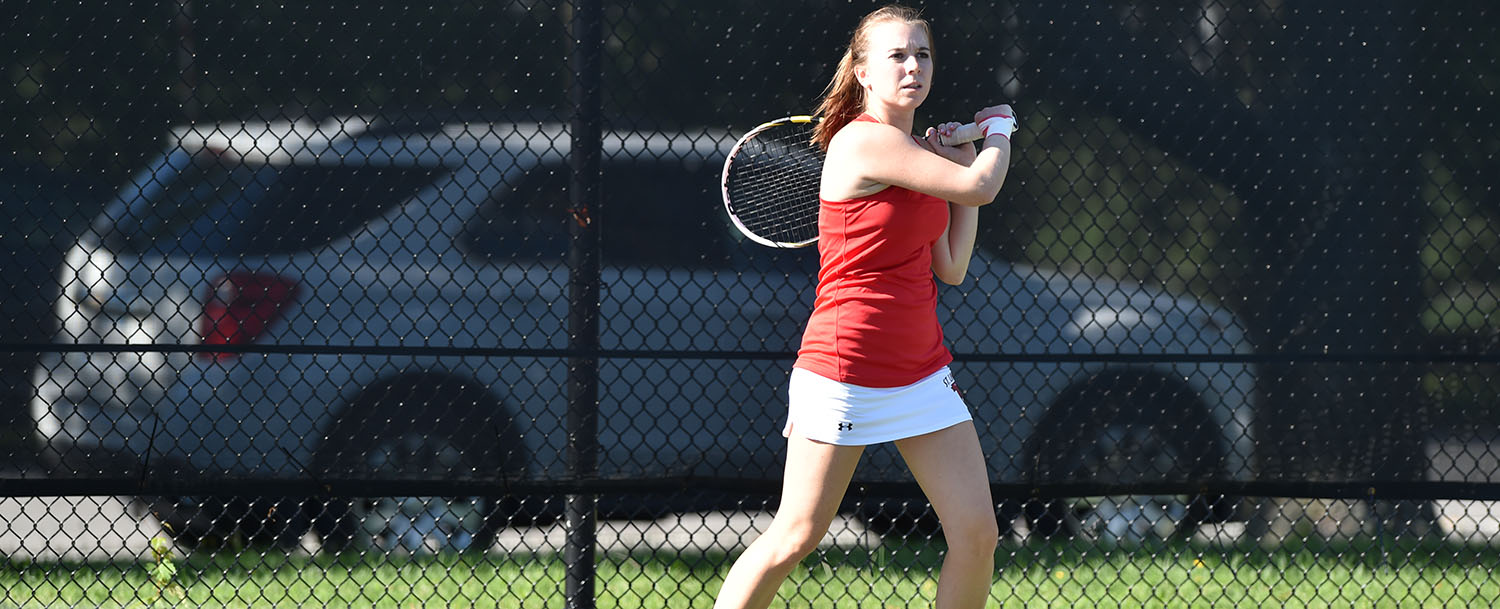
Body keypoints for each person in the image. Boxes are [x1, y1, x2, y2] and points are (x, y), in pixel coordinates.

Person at [712, 5, 1016, 609]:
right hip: (844, 370)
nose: (913, 66)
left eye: (922, 54)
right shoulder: (862, 141)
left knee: (978, 534)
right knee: (796, 535)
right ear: (863, 73)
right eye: (896, 56)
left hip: (922, 372)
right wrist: (999, 131)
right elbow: (985, 183)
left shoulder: (910, 151)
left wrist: (956, 165)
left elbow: (951, 266)